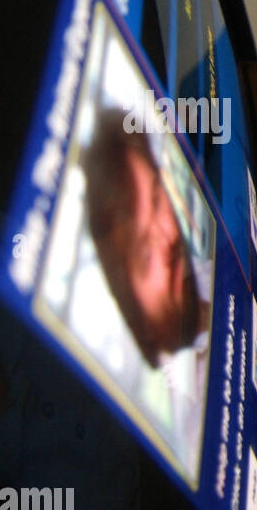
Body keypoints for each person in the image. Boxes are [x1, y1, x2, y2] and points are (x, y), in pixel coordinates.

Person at [83, 109, 213, 475]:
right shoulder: (187, 443)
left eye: (158, 202)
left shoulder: (215, 267)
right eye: (144, 252)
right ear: (128, 303)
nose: (170, 238)